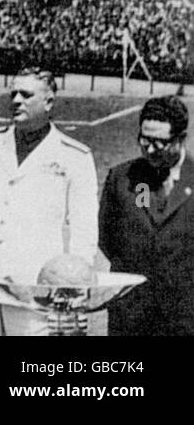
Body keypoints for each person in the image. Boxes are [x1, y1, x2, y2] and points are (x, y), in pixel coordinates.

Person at [0, 68, 97, 336]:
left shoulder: (75, 156)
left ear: (48, 102)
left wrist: (74, 285)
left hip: (35, 289)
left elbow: (84, 229)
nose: (16, 100)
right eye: (13, 93)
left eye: (26, 94)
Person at [98, 96, 194, 335]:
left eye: (159, 143)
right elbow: (106, 238)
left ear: (181, 139)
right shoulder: (121, 179)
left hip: (184, 315)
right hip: (130, 315)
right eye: (144, 140)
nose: (150, 150)